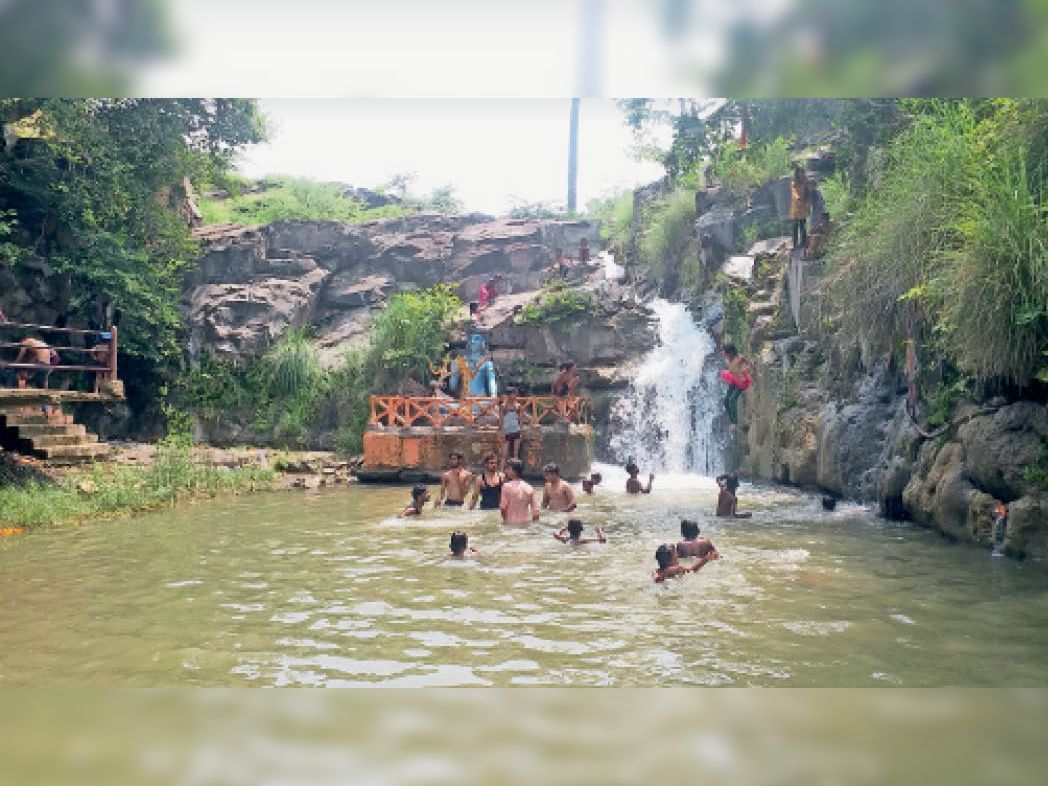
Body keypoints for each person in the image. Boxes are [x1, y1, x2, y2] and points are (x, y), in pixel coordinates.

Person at [719, 343, 753, 427]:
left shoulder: (739, 358)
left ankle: (734, 422)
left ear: (730, 353)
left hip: (741, 381)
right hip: (733, 380)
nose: (724, 353)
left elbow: (749, 363)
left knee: (732, 399)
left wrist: (747, 368)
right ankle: (732, 420)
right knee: (726, 401)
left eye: (725, 352)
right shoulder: (727, 359)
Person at [499, 458, 540, 525]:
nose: (506, 471)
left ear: (513, 470)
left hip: (510, 524)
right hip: (525, 524)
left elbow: (503, 507)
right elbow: (536, 512)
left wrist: (505, 520)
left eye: (508, 469)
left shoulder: (506, 486)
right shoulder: (529, 488)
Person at [789, 164, 811, 251]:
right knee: (795, 226)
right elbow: (793, 192)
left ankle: (803, 242)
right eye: (799, 172)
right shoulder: (794, 183)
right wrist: (797, 198)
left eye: (802, 172)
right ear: (797, 173)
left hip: (803, 206)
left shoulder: (806, 182)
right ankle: (795, 244)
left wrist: (807, 203)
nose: (801, 174)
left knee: (803, 225)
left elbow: (808, 192)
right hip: (796, 206)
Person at [500, 386, 524, 461]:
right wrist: (502, 432)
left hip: (516, 430)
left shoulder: (518, 406)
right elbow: (501, 420)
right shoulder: (503, 406)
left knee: (516, 453)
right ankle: (502, 467)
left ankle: (515, 467)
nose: (513, 396)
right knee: (504, 454)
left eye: (514, 394)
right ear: (508, 395)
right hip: (507, 431)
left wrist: (521, 432)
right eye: (512, 394)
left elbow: (521, 420)